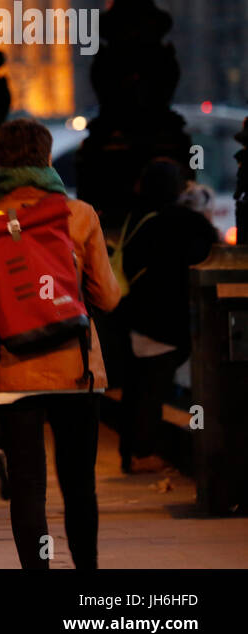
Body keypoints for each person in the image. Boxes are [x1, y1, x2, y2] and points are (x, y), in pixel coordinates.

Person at [0, 119, 120, 570]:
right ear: (48, 159)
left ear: (2, 161)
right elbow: (106, 296)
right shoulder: (80, 214)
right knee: (78, 483)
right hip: (76, 367)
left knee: (28, 483)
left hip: (13, 369)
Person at [117, 158, 218, 474]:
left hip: (134, 314)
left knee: (137, 387)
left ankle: (130, 452)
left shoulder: (138, 217)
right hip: (166, 320)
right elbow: (208, 253)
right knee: (153, 388)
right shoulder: (185, 222)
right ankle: (142, 453)